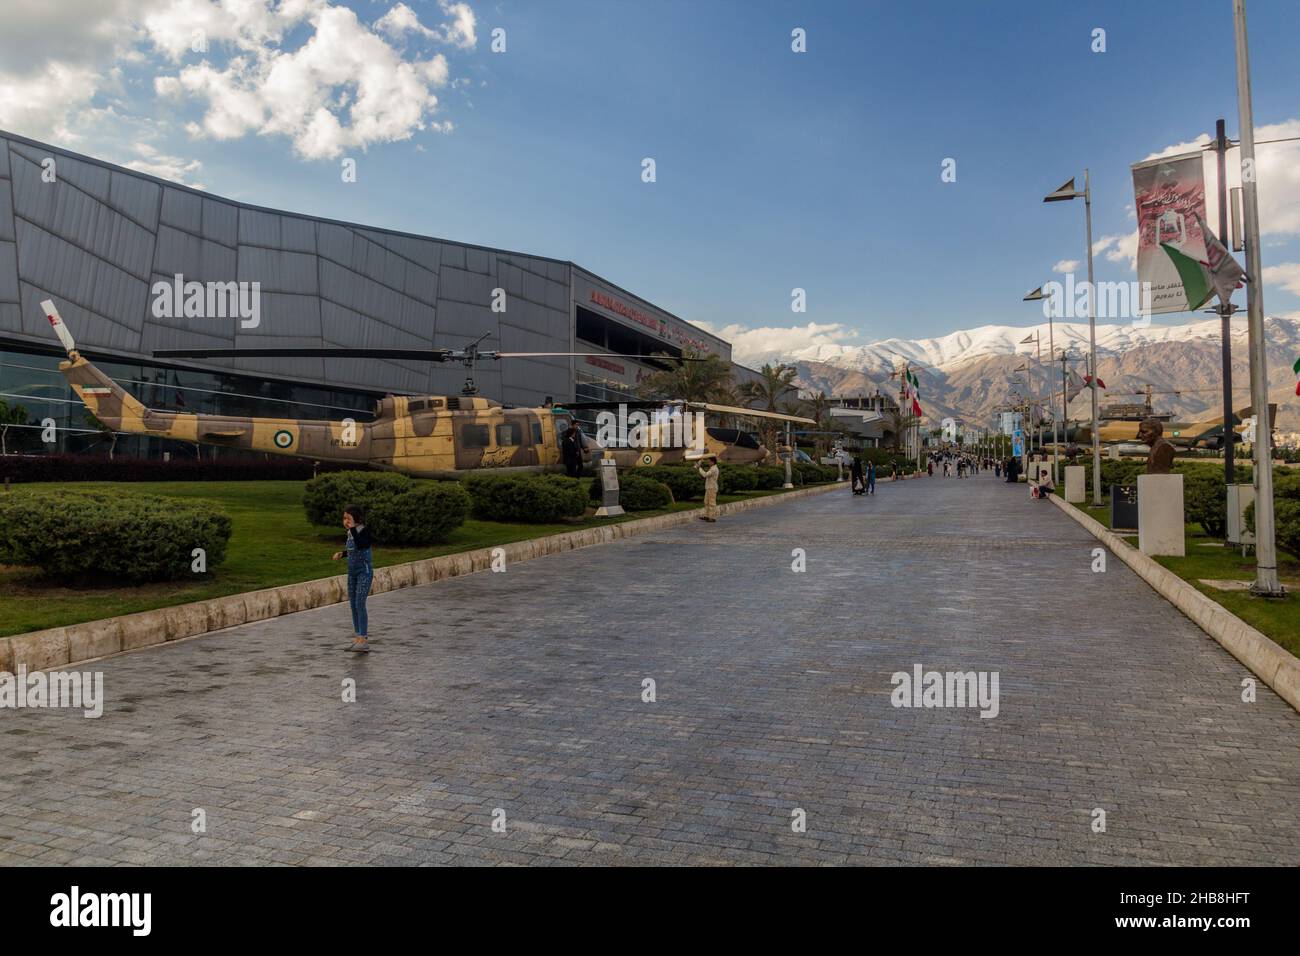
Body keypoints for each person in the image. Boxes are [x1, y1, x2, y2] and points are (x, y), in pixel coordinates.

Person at [332, 504, 374, 653]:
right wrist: (342, 554)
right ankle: (358, 636)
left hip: (364, 572)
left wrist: (352, 529)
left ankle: (364, 638)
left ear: (356, 519)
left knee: (360, 603)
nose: (345, 521)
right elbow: (352, 550)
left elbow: (362, 545)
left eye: (348, 518)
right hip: (352, 573)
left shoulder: (363, 531)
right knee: (353, 605)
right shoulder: (351, 533)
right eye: (344, 518)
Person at [696, 453, 720, 521]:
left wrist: (699, 468)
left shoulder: (714, 469)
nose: (708, 463)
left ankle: (712, 517)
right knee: (706, 502)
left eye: (709, 461)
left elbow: (705, 475)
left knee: (712, 503)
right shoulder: (712, 468)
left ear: (713, 462)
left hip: (712, 488)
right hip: (709, 488)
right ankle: (707, 515)